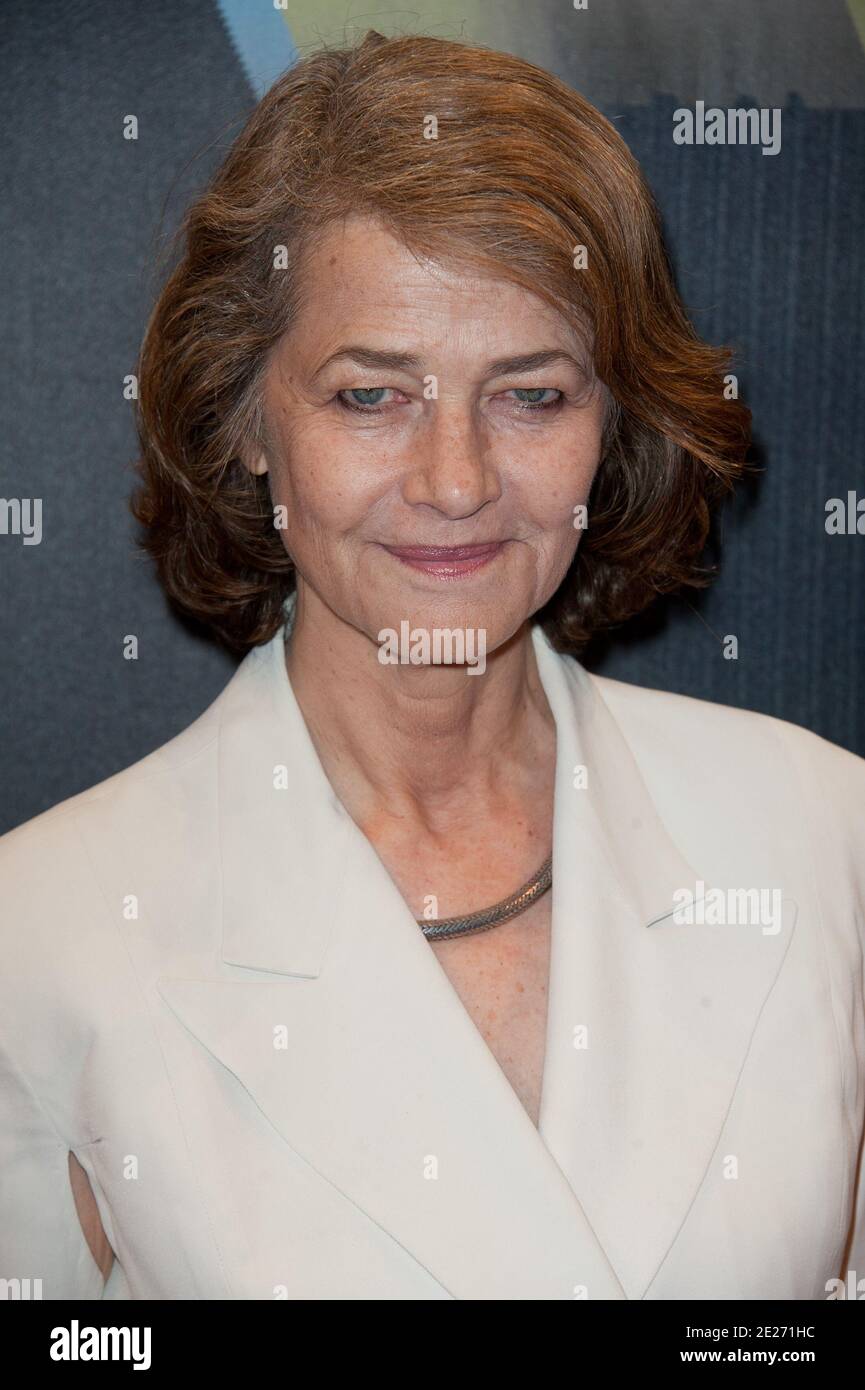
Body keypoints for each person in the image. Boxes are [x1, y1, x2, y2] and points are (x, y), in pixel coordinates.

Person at [1, 30, 863, 1302]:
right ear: (246, 419)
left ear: (613, 424)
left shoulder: (824, 834)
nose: (456, 481)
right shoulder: (44, 936)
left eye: (531, 395)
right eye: (369, 396)